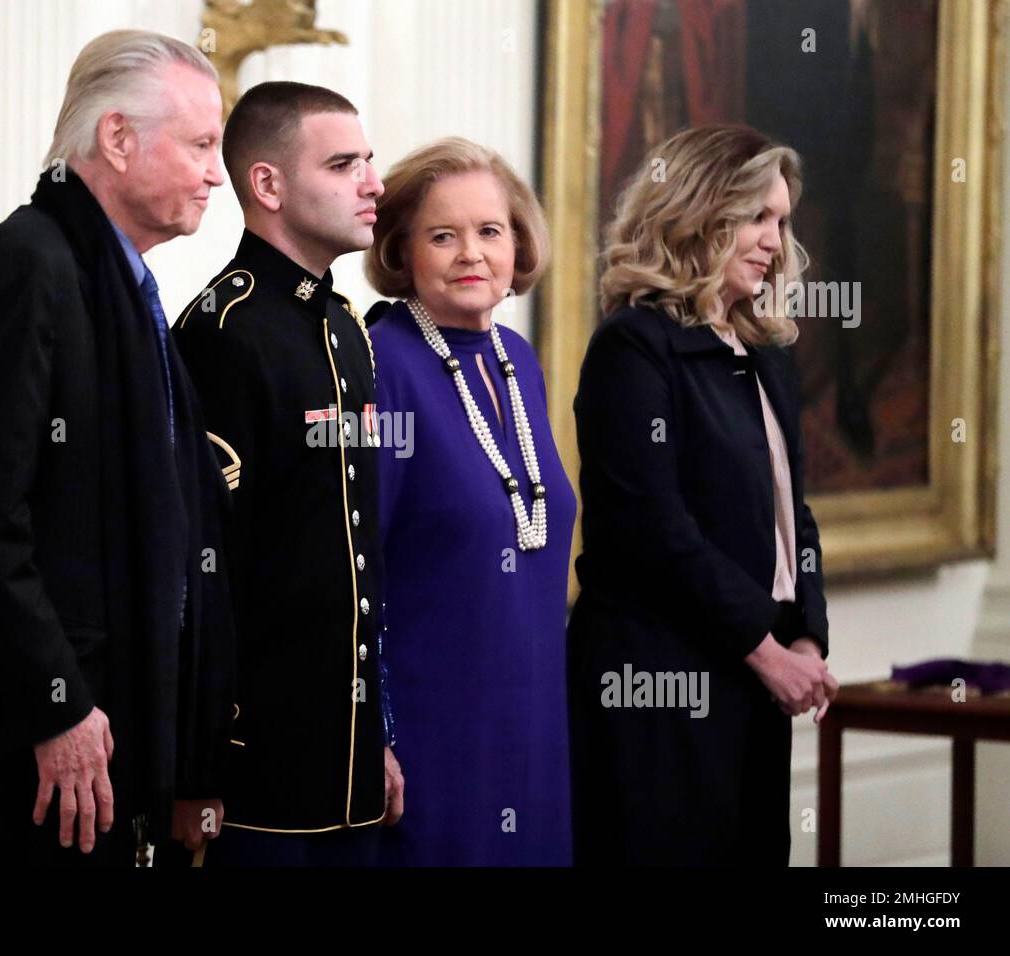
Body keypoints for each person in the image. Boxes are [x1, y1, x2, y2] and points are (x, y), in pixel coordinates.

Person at [0, 30, 236, 866]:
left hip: (102, 730)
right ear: (116, 137)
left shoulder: (115, 282)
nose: (218, 172)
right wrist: (56, 706)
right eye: (202, 144)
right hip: (36, 742)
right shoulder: (26, 265)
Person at [567, 124, 839, 866]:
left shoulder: (765, 352)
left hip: (755, 674)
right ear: (697, 214)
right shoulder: (633, 346)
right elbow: (651, 529)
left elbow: (795, 517)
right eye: (757, 218)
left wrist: (806, 634)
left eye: (782, 221)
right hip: (660, 683)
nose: (775, 242)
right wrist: (766, 650)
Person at [164, 81, 397, 867]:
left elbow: (355, 562)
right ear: (267, 185)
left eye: (368, 160)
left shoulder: (343, 325)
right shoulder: (223, 332)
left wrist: (377, 743)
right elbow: (200, 570)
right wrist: (199, 766)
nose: (375, 183)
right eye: (343, 164)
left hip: (350, 762)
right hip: (255, 769)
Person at [362, 138, 575, 865]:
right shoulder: (382, 361)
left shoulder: (517, 359)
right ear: (401, 249)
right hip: (432, 732)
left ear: (518, 242)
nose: (470, 254)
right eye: (442, 235)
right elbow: (358, 566)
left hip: (533, 722)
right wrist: (375, 734)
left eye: (490, 231)